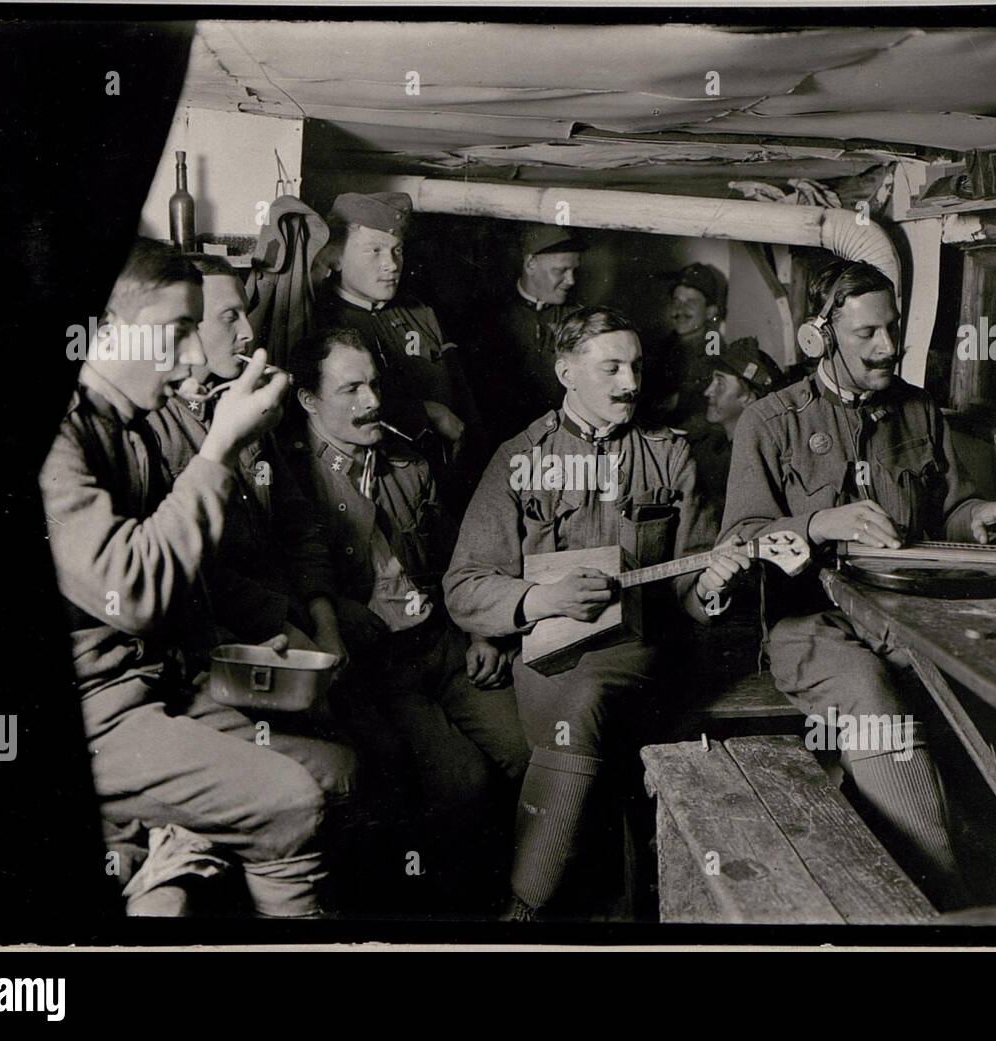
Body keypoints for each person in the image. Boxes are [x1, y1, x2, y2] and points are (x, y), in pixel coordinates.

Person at [719, 259, 996, 909]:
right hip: (812, 625)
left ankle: (987, 884)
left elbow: (951, 508)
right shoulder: (769, 420)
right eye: (866, 334)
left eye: (892, 329)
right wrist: (820, 520)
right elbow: (742, 536)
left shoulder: (917, 408)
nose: (886, 347)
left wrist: (981, 513)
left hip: (907, 614)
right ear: (820, 337)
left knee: (969, 706)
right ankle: (941, 904)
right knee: (872, 699)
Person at [39, 239, 358, 918]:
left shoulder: (134, 427)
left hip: (156, 679)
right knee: (292, 799)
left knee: (336, 768)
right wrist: (218, 448)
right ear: (101, 328)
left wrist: (273, 634)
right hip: (96, 712)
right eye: (176, 331)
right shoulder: (61, 439)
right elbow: (131, 588)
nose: (190, 357)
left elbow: (191, 569)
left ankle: (177, 837)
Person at [444, 307, 752, 920]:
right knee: (556, 728)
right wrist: (538, 600)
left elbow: (690, 583)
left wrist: (713, 586)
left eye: (634, 366)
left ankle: (524, 908)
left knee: (585, 703)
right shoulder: (518, 457)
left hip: (637, 651)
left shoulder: (670, 457)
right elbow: (464, 585)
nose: (630, 384)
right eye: (610, 368)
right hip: (541, 652)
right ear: (566, 372)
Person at [283, 326, 529, 907]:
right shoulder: (287, 477)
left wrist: (482, 629)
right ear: (308, 399)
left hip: (444, 644)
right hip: (378, 668)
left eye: (374, 385)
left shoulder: (407, 461)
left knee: (528, 751)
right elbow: (290, 580)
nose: (371, 402)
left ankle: (521, 902)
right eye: (350, 389)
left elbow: (459, 560)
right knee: (460, 782)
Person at [146, 254, 348, 663]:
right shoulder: (152, 427)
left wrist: (326, 623)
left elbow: (298, 528)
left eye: (246, 312)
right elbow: (194, 571)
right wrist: (285, 628)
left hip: (295, 617)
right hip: (231, 636)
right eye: (229, 317)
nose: (248, 331)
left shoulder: (241, 403)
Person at [312, 191, 484, 491]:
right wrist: (425, 411)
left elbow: (463, 396)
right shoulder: (319, 320)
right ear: (336, 258)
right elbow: (329, 411)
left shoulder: (421, 313)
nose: (392, 265)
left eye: (397, 250)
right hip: (378, 484)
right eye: (374, 251)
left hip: (446, 478)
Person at [468, 223, 587, 446]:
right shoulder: (486, 316)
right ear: (531, 264)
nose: (571, 280)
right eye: (561, 271)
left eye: (574, 271)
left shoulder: (580, 319)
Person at [685, 336, 784, 525]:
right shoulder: (709, 448)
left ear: (748, 398)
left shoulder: (755, 461)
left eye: (720, 384)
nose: (708, 392)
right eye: (712, 381)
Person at [643, 262, 727, 427]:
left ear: (710, 312)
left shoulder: (713, 344)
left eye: (692, 302)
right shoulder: (662, 345)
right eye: (676, 300)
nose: (680, 309)